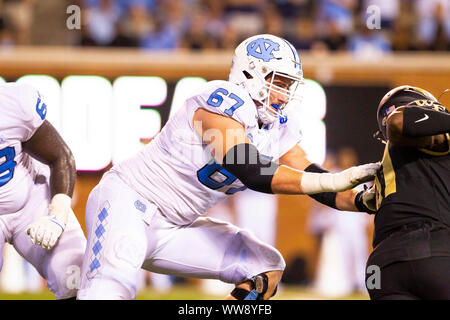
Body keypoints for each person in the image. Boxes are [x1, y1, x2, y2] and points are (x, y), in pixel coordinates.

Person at [77, 34, 380, 300]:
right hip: (129, 202)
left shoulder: (277, 126)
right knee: (110, 290)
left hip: (174, 227)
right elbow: (246, 166)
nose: (284, 94)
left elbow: (310, 173)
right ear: (252, 74)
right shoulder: (221, 99)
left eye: (289, 86)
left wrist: (361, 200)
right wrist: (333, 181)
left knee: (265, 268)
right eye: (279, 82)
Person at [361, 85, 450, 300]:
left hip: (379, 270)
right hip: (432, 249)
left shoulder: (390, 166)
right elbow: (398, 121)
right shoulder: (433, 137)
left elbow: (338, 196)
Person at [0, 82, 87, 299]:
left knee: (75, 274)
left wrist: (57, 216)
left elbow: (60, 157)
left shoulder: (12, 103)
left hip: (30, 197)